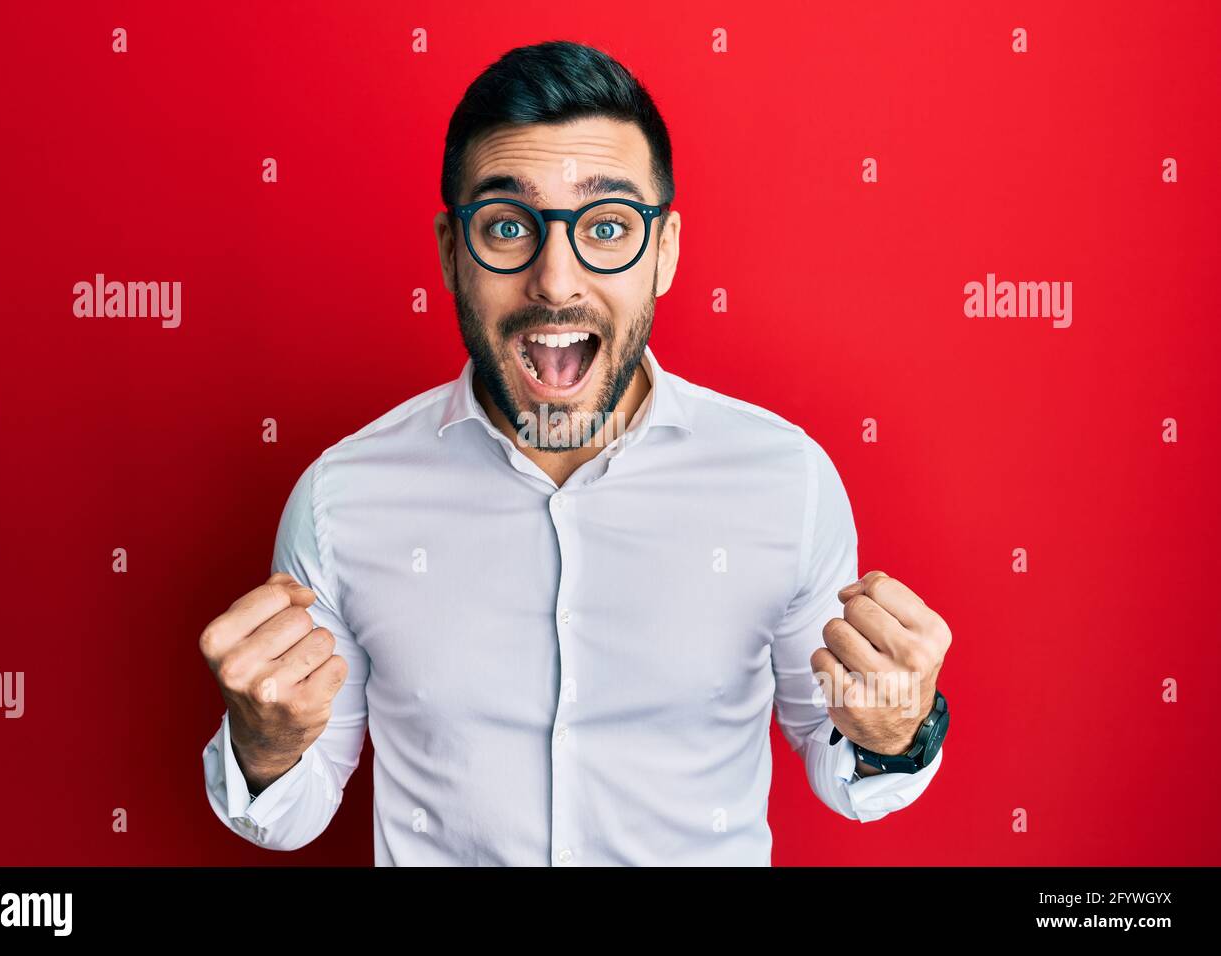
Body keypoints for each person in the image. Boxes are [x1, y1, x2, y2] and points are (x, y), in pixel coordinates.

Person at [199, 40, 952, 865]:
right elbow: (294, 810)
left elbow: (845, 768)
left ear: (664, 253)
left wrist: (896, 730)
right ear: (453, 253)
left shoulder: (787, 482)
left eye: (606, 226)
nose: (556, 281)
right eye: (508, 226)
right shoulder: (340, 499)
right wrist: (264, 747)